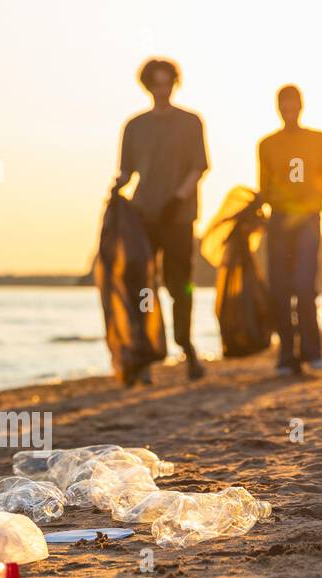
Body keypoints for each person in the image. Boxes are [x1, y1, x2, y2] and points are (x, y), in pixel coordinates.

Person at [115, 58, 210, 381]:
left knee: (179, 285)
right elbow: (127, 171)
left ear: (174, 82)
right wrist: (117, 188)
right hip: (143, 216)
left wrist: (178, 198)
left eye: (166, 82)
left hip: (179, 216)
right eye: (155, 83)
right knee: (142, 286)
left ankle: (187, 348)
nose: (161, 89)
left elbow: (199, 166)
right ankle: (144, 356)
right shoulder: (134, 126)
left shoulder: (190, 122)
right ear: (147, 86)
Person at [256, 85, 322, 376]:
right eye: (284, 107)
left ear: (301, 106)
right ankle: (285, 354)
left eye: (294, 106)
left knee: (305, 287)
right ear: (278, 108)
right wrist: (253, 212)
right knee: (279, 289)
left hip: (308, 220)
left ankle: (312, 351)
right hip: (278, 221)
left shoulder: (318, 140)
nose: (289, 112)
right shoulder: (266, 145)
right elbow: (265, 188)